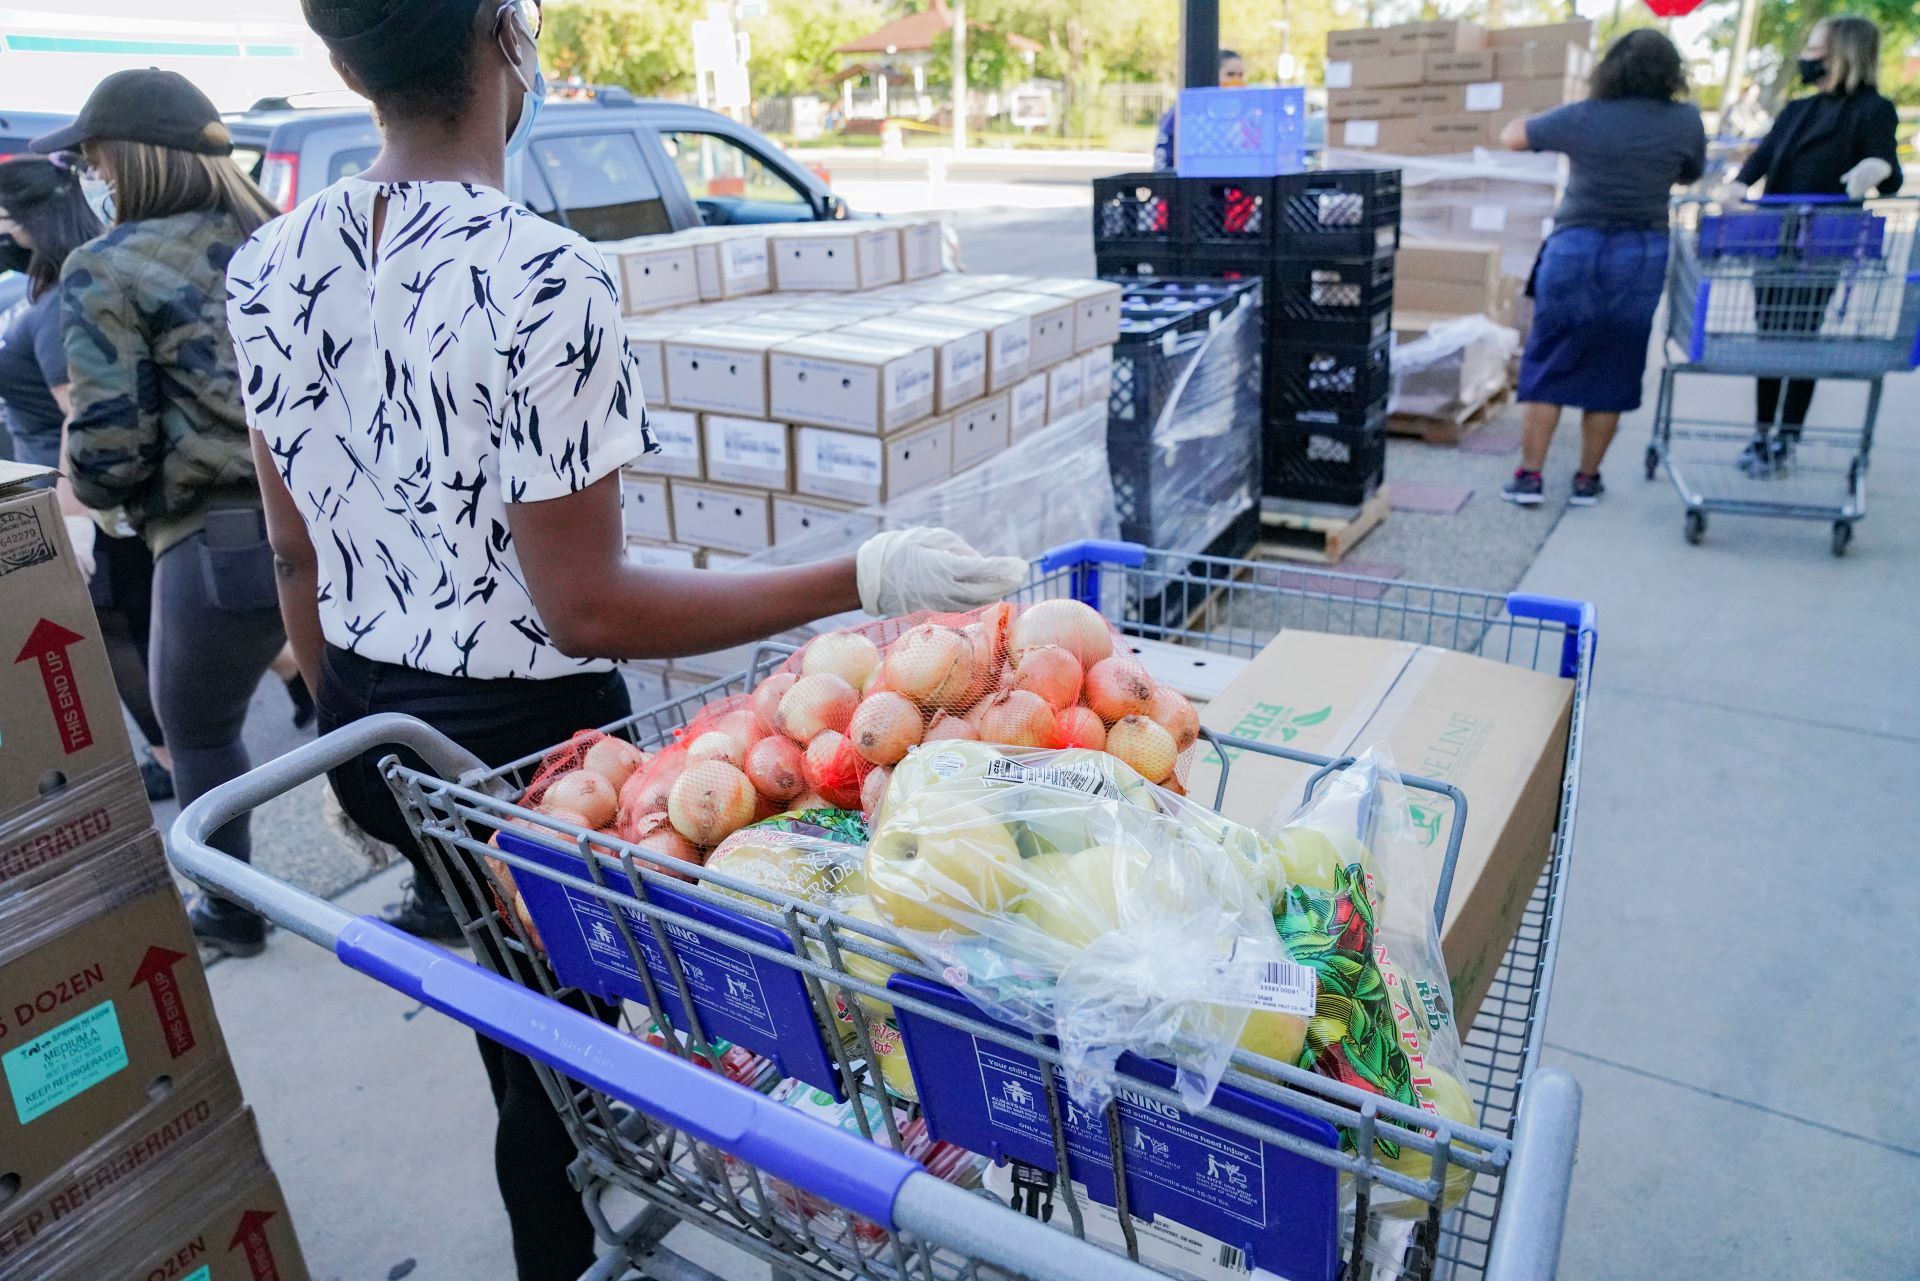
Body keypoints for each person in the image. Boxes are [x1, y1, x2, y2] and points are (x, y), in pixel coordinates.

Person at [230, 2, 1027, 1276]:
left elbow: (293, 551)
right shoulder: (541, 273)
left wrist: (346, 719)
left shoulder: (269, 263)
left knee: (519, 1024)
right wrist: (859, 574)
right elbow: (586, 607)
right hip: (526, 763)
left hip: (371, 723)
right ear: (506, 35)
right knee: (562, 1071)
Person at [30, 72, 290, 953]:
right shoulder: (282, 238)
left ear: (129, 161)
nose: (91, 179)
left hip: (219, 541)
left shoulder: (105, 266)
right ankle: (450, 889)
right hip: (345, 520)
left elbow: (109, 450)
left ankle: (232, 909)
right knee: (367, 713)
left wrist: (90, 489)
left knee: (200, 730)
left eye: (94, 161)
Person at [0, 157, 179, 801]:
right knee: (136, 622)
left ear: (33, 220)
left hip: (77, 498)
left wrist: (71, 523)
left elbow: (80, 418)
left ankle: (173, 758)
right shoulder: (65, 284)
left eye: (5, 219)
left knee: (116, 627)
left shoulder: (59, 303)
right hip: (82, 494)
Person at [1497, 29, 1706, 507]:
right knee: (1614, 366)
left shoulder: (1583, 116)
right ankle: (1587, 480)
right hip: (1641, 252)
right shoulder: (1685, 120)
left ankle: (1530, 478)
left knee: (1549, 360)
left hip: (1575, 247)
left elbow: (1512, 136)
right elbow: (1690, 171)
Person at [1731, 15, 1902, 469]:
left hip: (1823, 244)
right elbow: (1765, 154)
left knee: (1802, 339)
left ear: (1841, 55)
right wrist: (1738, 185)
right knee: (1770, 336)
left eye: (1814, 50)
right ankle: (1762, 432)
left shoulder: (1873, 110)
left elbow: (1887, 169)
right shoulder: (1798, 109)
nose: (1806, 58)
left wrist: (1878, 169)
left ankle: (1788, 435)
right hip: (1776, 238)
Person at [1154, 49, 1245, 170]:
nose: (1236, 80)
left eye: (1240, 75)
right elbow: (1164, 149)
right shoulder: (1187, 108)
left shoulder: (1239, 112)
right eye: (1230, 74)